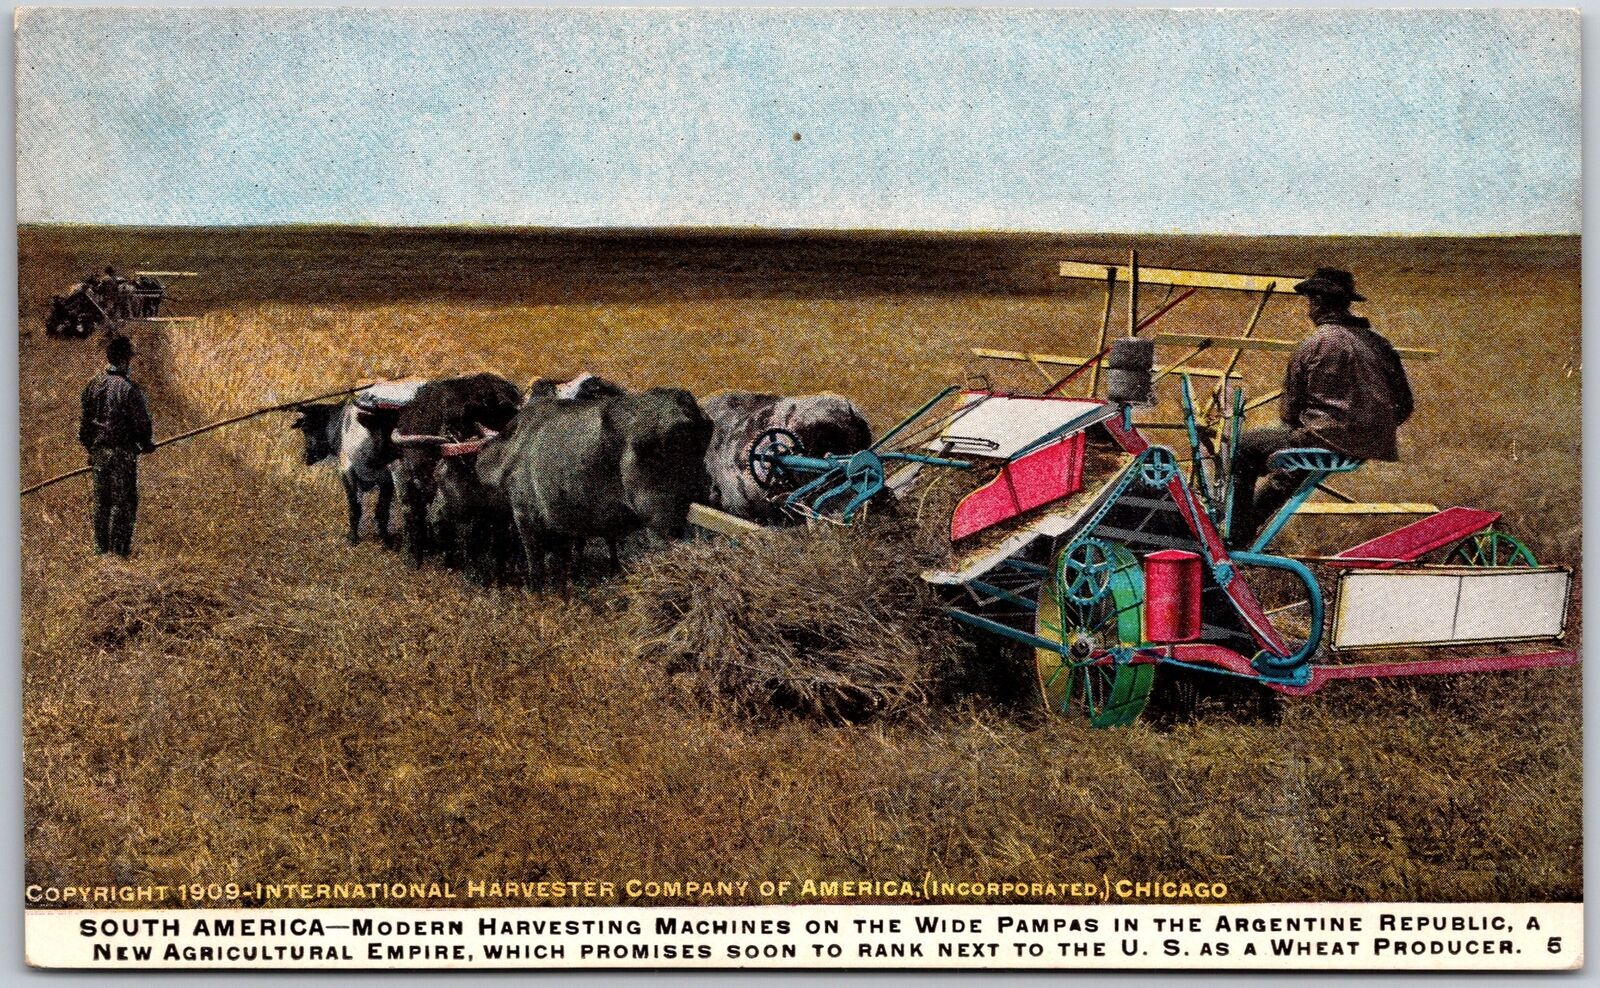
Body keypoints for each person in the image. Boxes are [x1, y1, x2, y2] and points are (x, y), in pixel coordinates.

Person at [1228, 268, 1413, 548]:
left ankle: (1232, 535)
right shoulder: (1379, 344)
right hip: (1369, 444)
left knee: (1240, 447)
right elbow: (1405, 404)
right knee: (1290, 471)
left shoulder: (1316, 343)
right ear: (1345, 303)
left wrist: (1321, 428)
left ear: (1316, 302)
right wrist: (1367, 428)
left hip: (1325, 439)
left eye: (1310, 301)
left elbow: (1289, 411)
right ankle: (1246, 530)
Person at [79, 334, 156, 556]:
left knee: (102, 502)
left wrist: (92, 450)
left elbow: (84, 428)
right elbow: (142, 424)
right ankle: (119, 553)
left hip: (99, 454)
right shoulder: (129, 389)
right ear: (124, 359)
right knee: (123, 503)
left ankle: (101, 550)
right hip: (122, 454)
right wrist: (146, 443)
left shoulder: (92, 385)